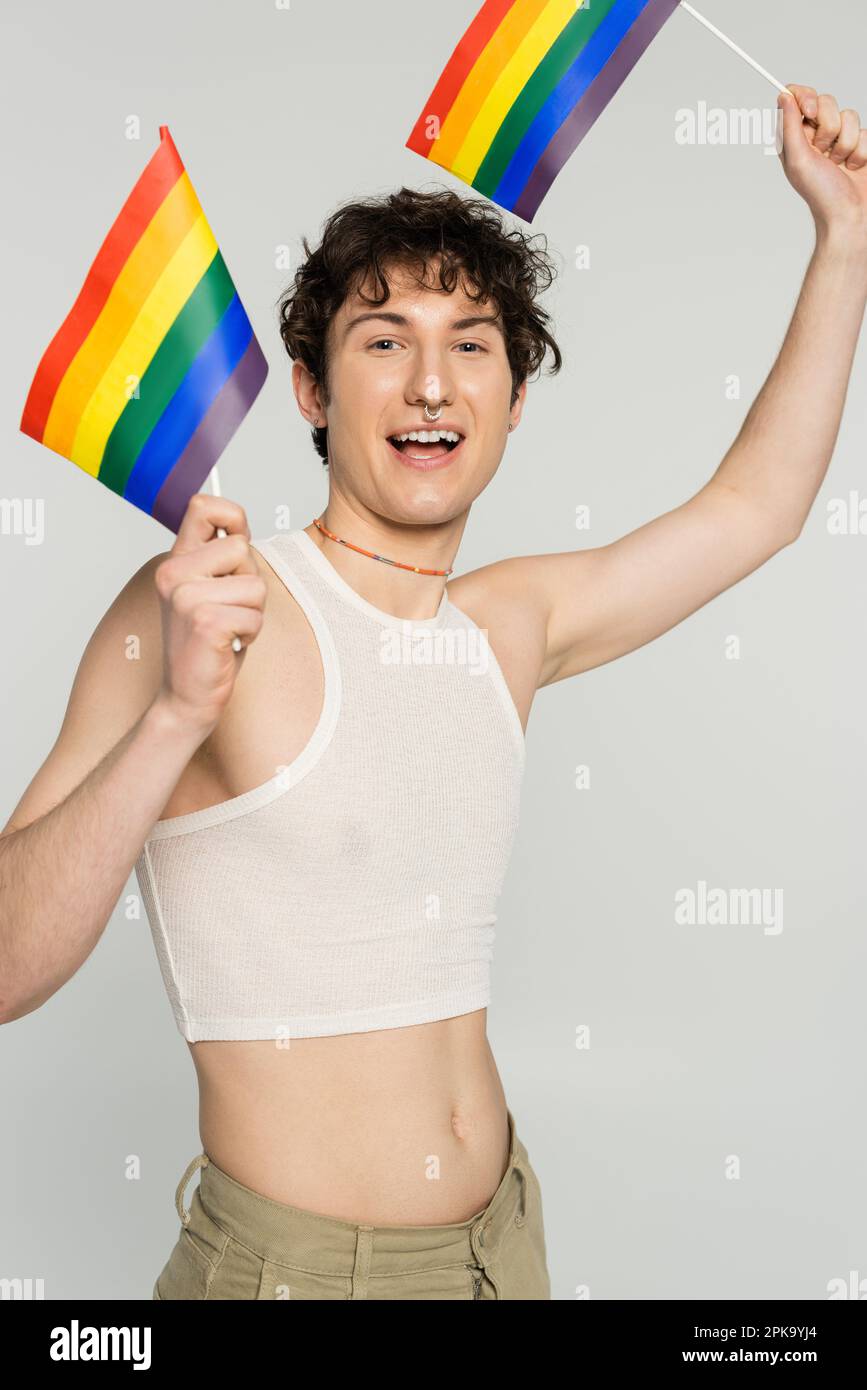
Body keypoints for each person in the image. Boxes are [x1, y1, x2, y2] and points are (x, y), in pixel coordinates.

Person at [2, 84, 866, 1301]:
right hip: (300, 1276)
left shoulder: (508, 626)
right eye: (382, 339)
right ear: (311, 388)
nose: (429, 384)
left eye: (471, 346)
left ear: (513, 399)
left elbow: (759, 507)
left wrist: (846, 238)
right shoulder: (206, 603)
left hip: (503, 1249)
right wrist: (176, 718)